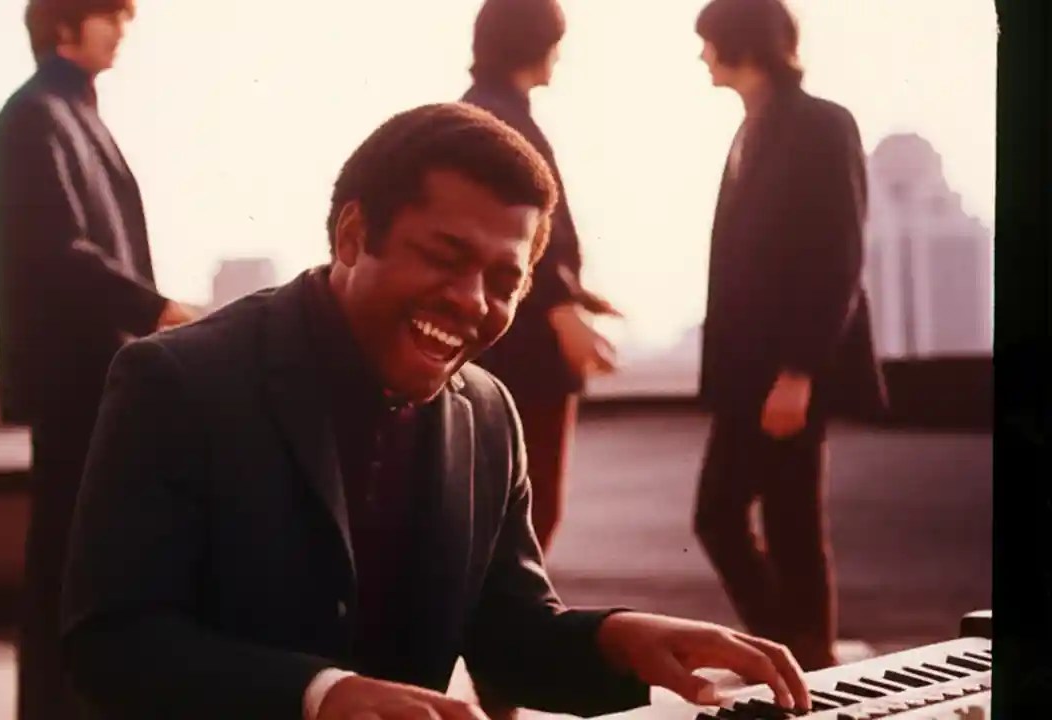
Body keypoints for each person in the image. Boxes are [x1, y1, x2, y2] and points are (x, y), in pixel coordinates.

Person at [60, 101, 812, 719]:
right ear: (352, 236)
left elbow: (511, 639)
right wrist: (319, 699)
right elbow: (112, 647)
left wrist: (618, 639)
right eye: (446, 258)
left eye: (503, 280)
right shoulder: (176, 379)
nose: (472, 304)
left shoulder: (487, 414)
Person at [0, 1, 196, 717]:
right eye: (110, 14)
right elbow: (59, 252)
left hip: (95, 381)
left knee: (78, 564)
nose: (123, 28)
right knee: (65, 569)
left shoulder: (67, 113)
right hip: (75, 383)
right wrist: (158, 310)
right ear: (65, 25)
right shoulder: (37, 116)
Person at [691, 0, 887, 672]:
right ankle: (805, 658)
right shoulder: (751, 129)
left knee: (731, 516)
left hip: (786, 371)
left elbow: (839, 257)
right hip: (750, 371)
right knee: (785, 520)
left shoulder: (822, 125)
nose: (701, 57)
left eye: (707, 42)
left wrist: (800, 372)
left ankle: (796, 656)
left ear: (738, 43)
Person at [461, 0, 621, 557]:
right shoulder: (503, 120)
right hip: (525, 349)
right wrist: (561, 309)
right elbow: (515, 237)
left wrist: (577, 297)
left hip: (506, 342)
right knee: (528, 514)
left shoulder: (481, 113)